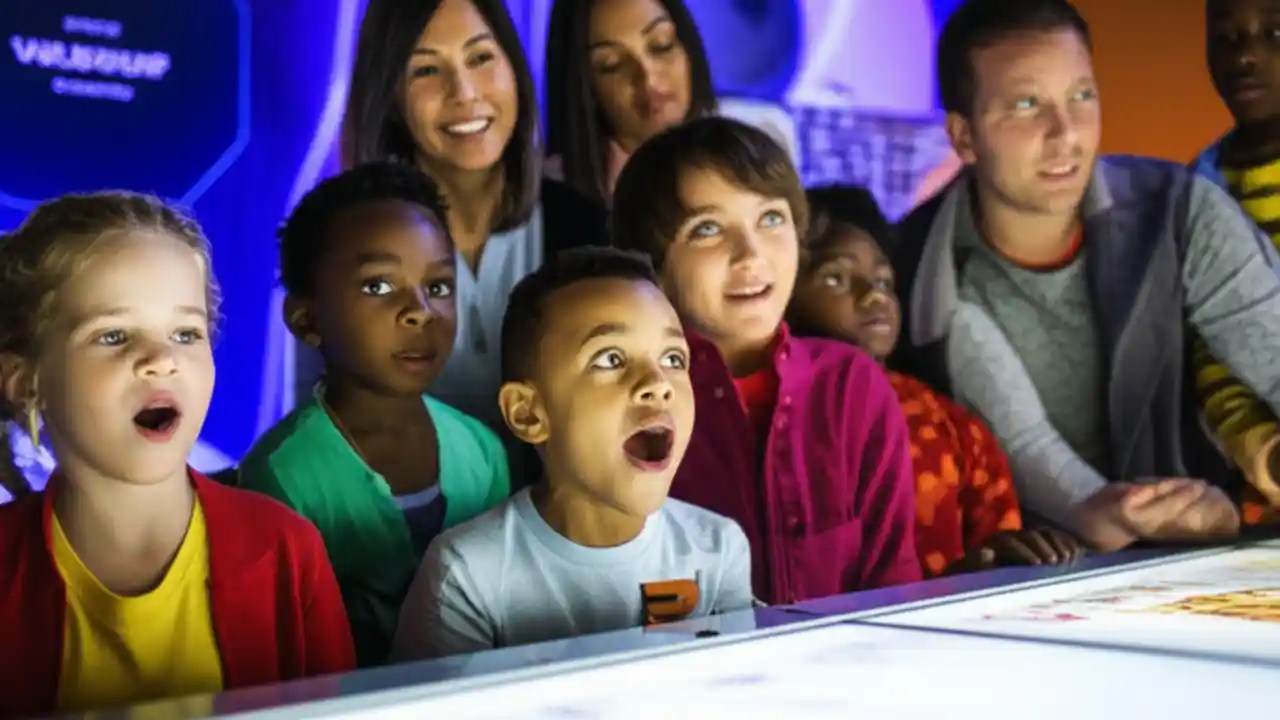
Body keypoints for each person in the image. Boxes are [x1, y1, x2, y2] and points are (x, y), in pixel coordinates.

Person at [894, 0, 1264, 552]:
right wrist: (1117, 515)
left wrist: (1227, 512)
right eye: (1025, 105)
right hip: (1029, 582)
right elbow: (1029, 447)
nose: (1065, 132)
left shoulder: (1178, 211)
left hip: (1208, 549)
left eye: (1082, 96)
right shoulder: (912, 272)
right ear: (964, 137)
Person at [0, 193, 353, 717]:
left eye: (186, 333)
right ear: (26, 382)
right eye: (113, 335)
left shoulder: (287, 551)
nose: (161, 360)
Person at [612, 117, 921, 605]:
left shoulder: (852, 387)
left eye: (771, 219)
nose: (750, 255)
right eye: (708, 229)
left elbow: (893, 581)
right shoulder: (629, 403)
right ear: (655, 266)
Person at [391, 247, 753, 659]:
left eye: (673, 358)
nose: (658, 383)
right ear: (528, 414)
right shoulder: (468, 573)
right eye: (611, 359)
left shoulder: (718, 549)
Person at [239, 163, 509, 667]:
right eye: (379, 286)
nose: (419, 311)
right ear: (307, 319)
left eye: (440, 286)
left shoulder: (482, 450)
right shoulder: (282, 475)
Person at [342, 0, 608, 433]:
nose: (464, 93)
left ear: (515, 70)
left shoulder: (590, 227)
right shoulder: (349, 250)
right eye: (426, 70)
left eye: (481, 58)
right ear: (389, 96)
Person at [789, 186, 1083, 576]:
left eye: (883, 282)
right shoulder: (781, 417)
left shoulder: (950, 425)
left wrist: (1014, 556)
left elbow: (995, 547)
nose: (872, 296)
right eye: (835, 279)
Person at [1190, 0, 1280, 525]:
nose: (1245, 56)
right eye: (1225, 38)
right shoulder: (1199, 193)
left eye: (1274, 33)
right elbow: (1211, 356)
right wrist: (1264, 450)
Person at [543, 0, 716, 204]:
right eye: (612, 64)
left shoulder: (751, 155)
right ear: (585, 88)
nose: (648, 79)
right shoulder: (552, 195)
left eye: (661, 46)